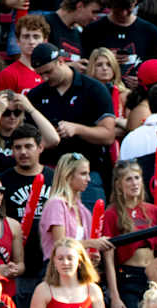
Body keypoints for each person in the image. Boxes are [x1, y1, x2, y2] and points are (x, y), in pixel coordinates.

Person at [28, 42, 117, 205]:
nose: (45, 78)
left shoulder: (93, 89)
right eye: (41, 74)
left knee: (90, 226)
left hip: (87, 172)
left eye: (48, 72)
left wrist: (77, 129)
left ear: (61, 61)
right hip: (50, 172)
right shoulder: (36, 95)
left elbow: (108, 135)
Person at [102, 159, 157, 308]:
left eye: (137, 178)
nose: (134, 183)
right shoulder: (111, 214)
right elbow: (108, 259)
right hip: (128, 278)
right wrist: (114, 297)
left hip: (153, 277)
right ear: (118, 184)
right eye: (128, 179)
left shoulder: (154, 211)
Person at [1, 124, 56, 308]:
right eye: (17, 147)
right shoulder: (3, 181)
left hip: (51, 261)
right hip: (19, 262)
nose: (23, 152)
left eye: (28, 146)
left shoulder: (55, 178)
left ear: (40, 147)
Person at [40, 152, 114, 262]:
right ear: (68, 176)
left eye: (88, 174)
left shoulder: (83, 211)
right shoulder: (56, 204)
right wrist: (91, 243)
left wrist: (91, 255)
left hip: (78, 271)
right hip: (57, 272)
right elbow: (61, 245)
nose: (88, 179)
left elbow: (81, 248)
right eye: (83, 174)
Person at [0, 90, 60, 175]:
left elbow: (54, 140)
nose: (12, 117)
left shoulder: (26, 133)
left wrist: (31, 109)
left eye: (17, 112)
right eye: (6, 113)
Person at [81, 0, 157, 75]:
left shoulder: (150, 31)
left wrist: (143, 81)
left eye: (128, 8)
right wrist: (106, 58)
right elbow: (85, 65)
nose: (124, 13)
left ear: (135, 2)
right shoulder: (93, 30)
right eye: (118, 8)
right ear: (111, 5)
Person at [0, 13, 50, 94]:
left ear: (45, 40)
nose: (31, 42)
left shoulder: (51, 72)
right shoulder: (7, 74)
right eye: (26, 36)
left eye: (36, 36)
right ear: (18, 41)